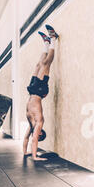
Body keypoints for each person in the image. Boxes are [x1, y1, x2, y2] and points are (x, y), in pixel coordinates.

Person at [23, 25, 59, 161]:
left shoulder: (31, 125)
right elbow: (33, 141)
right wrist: (35, 156)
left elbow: (27, 139)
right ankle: (53, 39)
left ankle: (46, 43)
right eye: (37, 134)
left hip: (32, 90)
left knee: (38, 65)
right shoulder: (38, 122)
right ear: (40, 133)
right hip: (40, 91)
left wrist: (25, 152)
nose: (35, 134)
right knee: (46, 64)